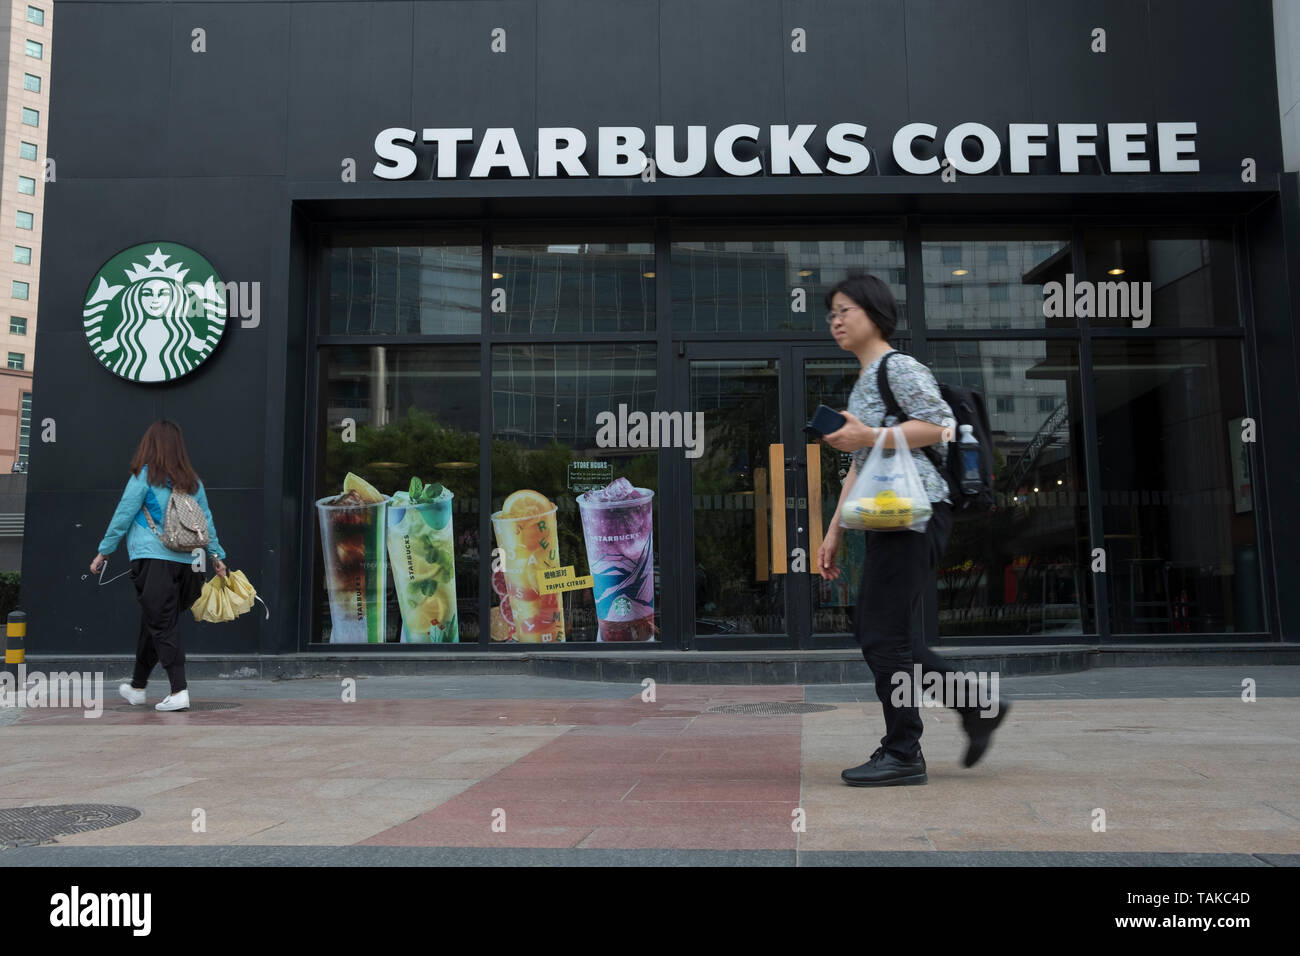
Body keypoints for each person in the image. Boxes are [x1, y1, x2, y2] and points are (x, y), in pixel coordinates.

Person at [817, 272, 1009, 786]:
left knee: (882, 634)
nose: (835, 320)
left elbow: (941, 424)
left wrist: (871, 432)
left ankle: (904, 750)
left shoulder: (897, 367)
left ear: (874, 314)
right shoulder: (863, 384)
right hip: (889, 517)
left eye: (844, 309)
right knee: (884, 633)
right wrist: (834, 531)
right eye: (831, 312)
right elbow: (858, 466)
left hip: (919, 511)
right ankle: (975, 706)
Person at [89, 420, 227, 712]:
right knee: (154, 624)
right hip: (191, 566)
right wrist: (216, 555)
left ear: (149, 445)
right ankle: (138, 687)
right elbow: (207, 522)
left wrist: (104, 551)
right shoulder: (193, 482)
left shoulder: (145, 477)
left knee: (163, 625)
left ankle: (179, 691)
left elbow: (123, 515)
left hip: (154, 561)